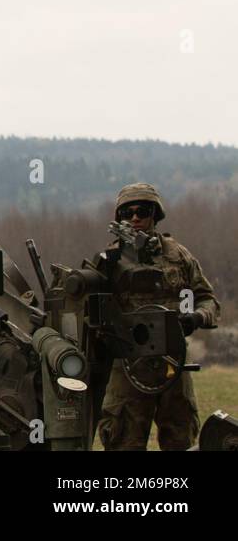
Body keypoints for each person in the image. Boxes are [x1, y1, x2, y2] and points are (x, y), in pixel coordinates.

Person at [96, 183, 220, 451]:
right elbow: (87, 309)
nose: (136, 218)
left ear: (156, 214)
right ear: (119, 218)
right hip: (129, 363)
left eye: (143, 210)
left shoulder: (177, 255)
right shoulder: (109, 261)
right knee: (123, 439)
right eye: (128, 213)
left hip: (172, 361)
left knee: (181, 437)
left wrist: (196, 318)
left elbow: (208, 299)